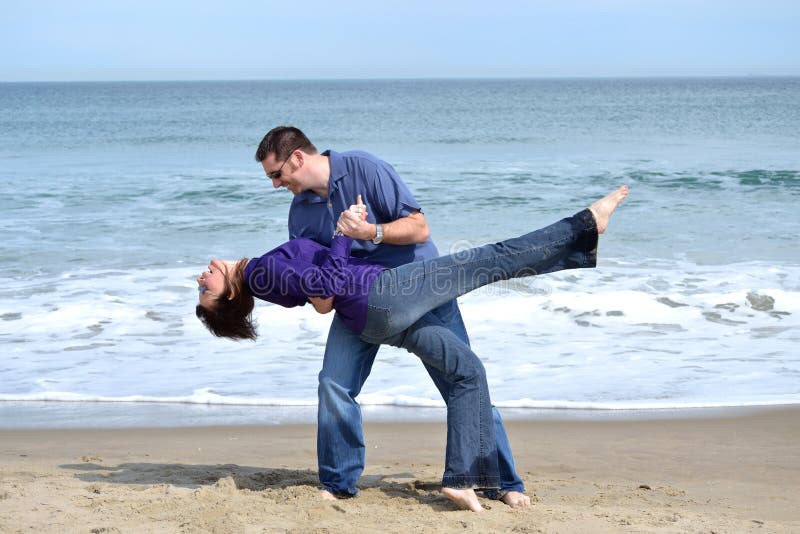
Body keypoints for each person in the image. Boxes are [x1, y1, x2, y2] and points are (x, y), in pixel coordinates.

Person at [196, 186, 629, 512]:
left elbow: (323, 301)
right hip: (386, 295)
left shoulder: (263, 272)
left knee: (468, 372)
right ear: (229, 298)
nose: (202, 278)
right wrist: (346, 234)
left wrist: (341, 241)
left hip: (377, 316)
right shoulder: (262, 272)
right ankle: (586, 225)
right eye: (206, 290)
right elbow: (325, 286)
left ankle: (465, 479)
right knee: (493, 259)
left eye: (201, 283)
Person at [252, 126, 529, 507]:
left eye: (275, 174)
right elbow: (319, 279)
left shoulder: (365, 168)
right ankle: (337, 483)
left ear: (297, 158)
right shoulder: (301, 213)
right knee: (334, 384)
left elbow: (420, 228)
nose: (275, 184)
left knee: (462, 381)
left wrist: (370, 231)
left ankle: (504, 482)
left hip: (419, 291)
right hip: (360, 305)